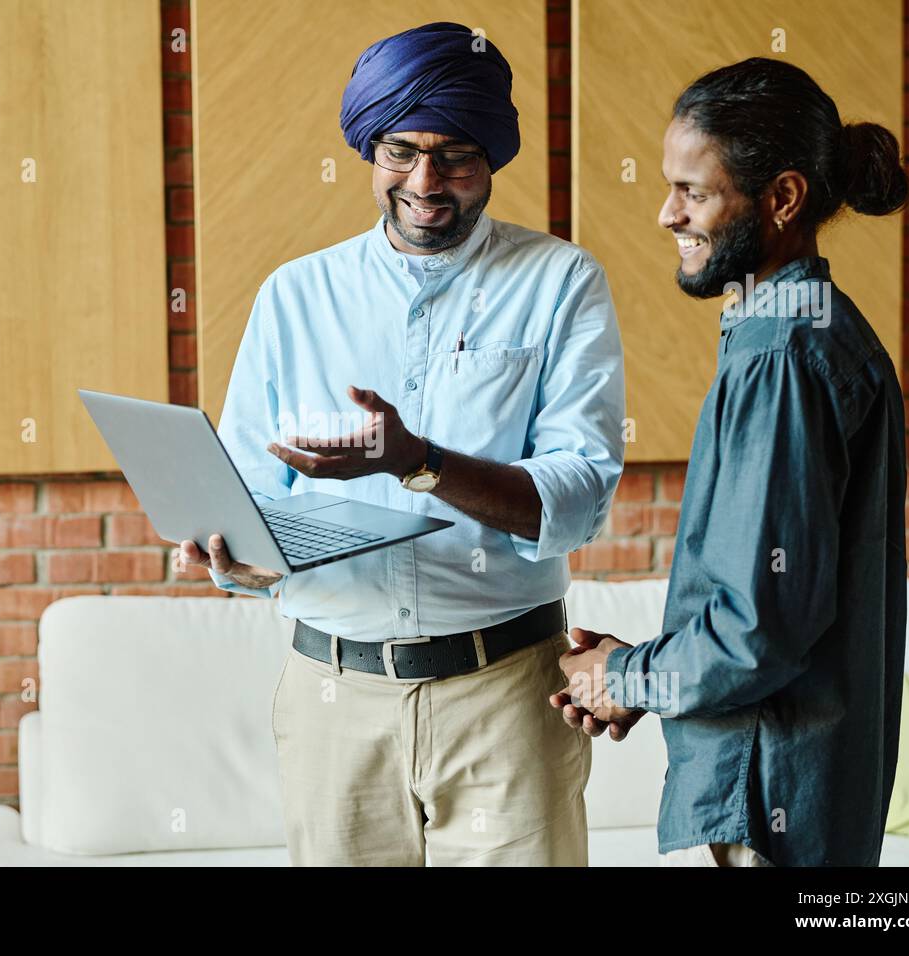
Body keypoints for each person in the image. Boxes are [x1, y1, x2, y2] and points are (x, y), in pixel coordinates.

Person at [176, 21, 625, 865]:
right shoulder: (294, 295)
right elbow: (246, 486)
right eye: (400, 151)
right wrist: (233, 558)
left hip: (506, 696)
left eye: (455, 155)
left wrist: (419, 463)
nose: (425, 182)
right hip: (330, 698)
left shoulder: (562, 282)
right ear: (370, 151)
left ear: (492, 157)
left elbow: (577, 498)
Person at [552, 57, 909, 867]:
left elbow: (759, 630)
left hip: (767, 803)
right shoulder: (814, 328)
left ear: (781, 199)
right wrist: (642, 671)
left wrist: (626, 678)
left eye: (694, 192)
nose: (664, 213)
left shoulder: (781, 355)